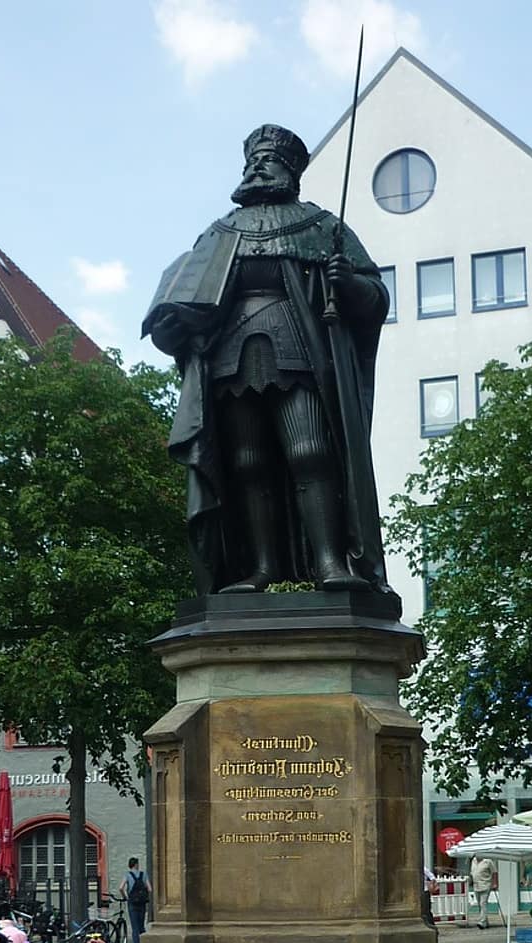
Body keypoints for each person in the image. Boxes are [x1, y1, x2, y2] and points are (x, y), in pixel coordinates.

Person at [142, 123, 395, 596]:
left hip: (298, 345)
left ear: (291, 171)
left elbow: (375, 298)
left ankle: (328, 563)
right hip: (231, 355)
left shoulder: (321, 226)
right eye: (251, 161)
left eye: (269, 160)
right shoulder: (217, 234)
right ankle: (259, 568)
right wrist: (171, 325)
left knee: (311, 451)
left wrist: (350, 283)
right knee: (247, 462)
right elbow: (186, 303)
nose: (257, 167)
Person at [118, 857, 152, 943]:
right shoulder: (143, 874)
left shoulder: (127, 875)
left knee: (135, 928)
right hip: (142, 904)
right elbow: (150, 889)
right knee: (142, 927)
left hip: (132, 903)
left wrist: (126, 897)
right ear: (136, 864)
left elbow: (121, 888)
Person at [470, 855, 495, 929]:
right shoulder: (473, 861)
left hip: (486, 884)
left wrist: (495, 883)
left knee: (483, 903)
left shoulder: (488, 861)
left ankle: (482, 922)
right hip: (476, 885)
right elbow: (472, 872)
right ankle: (485, 922)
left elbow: (494, 872)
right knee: (479, 904)